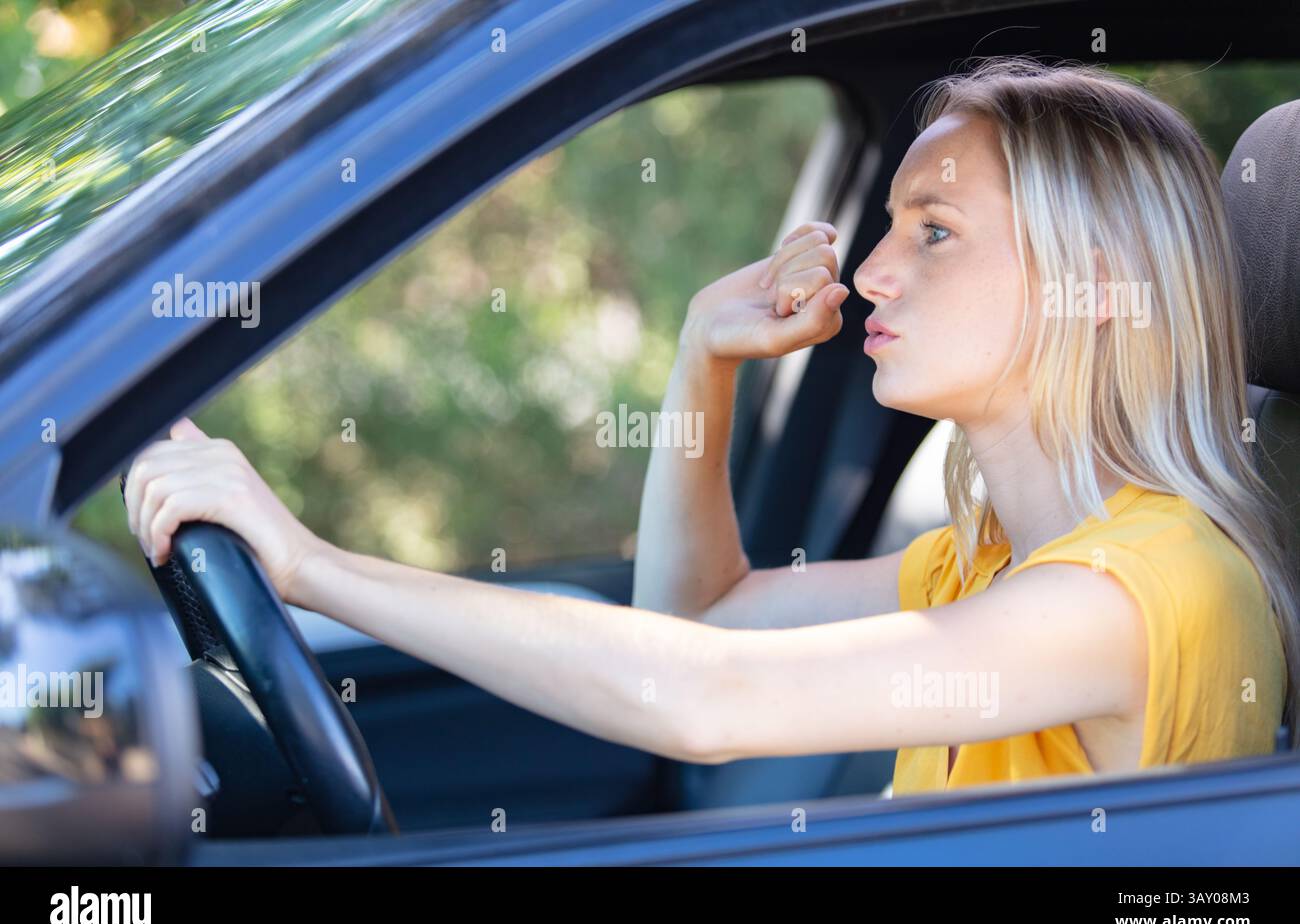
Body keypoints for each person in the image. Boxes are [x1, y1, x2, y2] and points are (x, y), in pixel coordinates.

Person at [124, 57, 1297, 795]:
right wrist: (701, 357)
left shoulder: (1147, 592)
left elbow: (709, 697)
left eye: (933, 230)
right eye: (886, 225)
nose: (874, 271)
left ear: (1092, 284)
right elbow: (698, 616)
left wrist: (316, 567)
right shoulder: (980, 566)